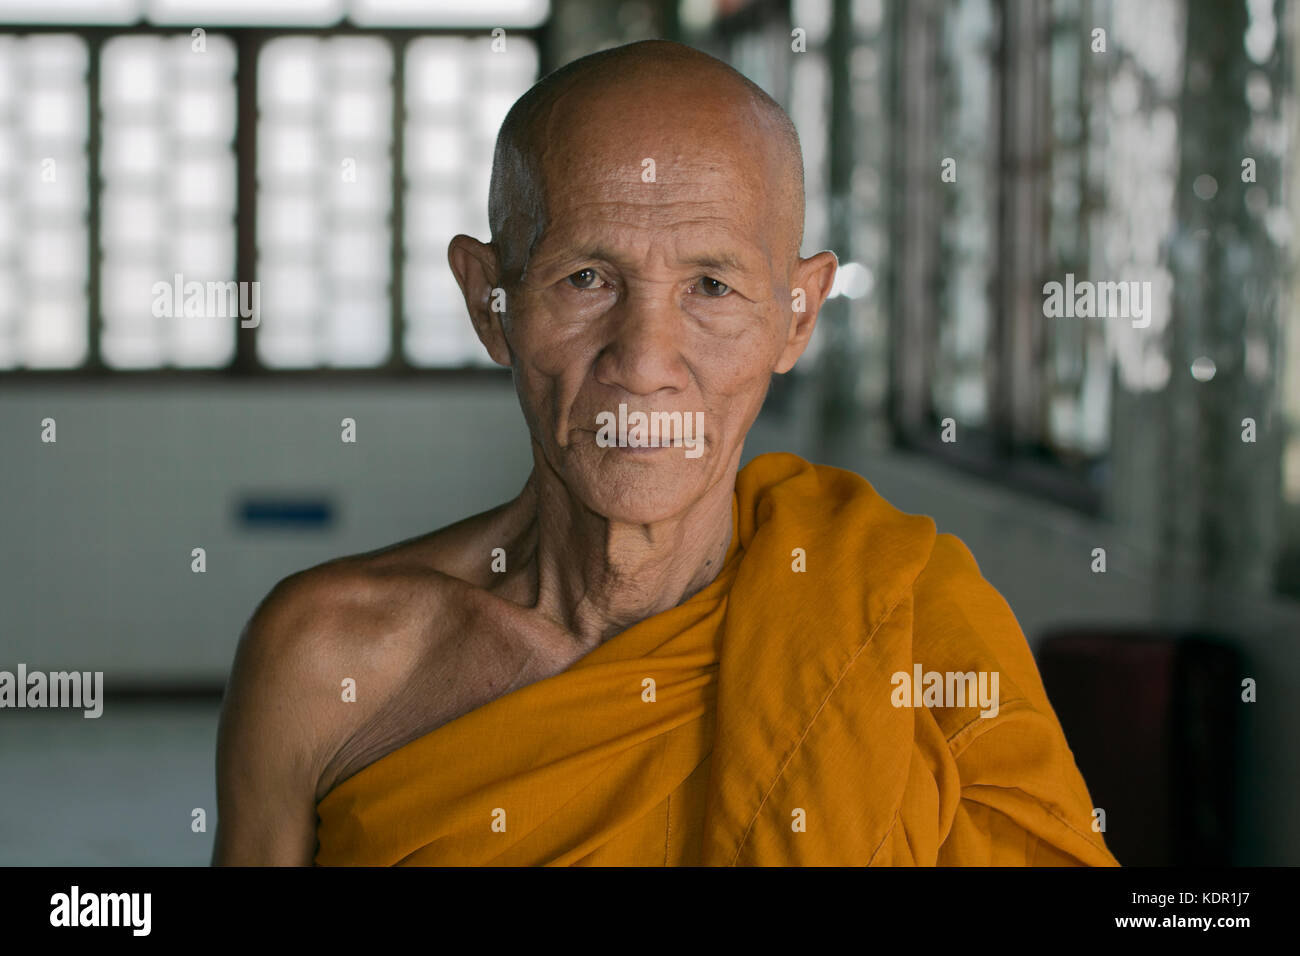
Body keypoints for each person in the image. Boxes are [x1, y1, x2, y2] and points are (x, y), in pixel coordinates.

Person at [213, 38, 1117, 866]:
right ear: (490, 299)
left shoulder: (901, 621)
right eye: (586, 279)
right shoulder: (329, 660)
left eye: (712, 286)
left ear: (797, 314)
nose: (644, 363)